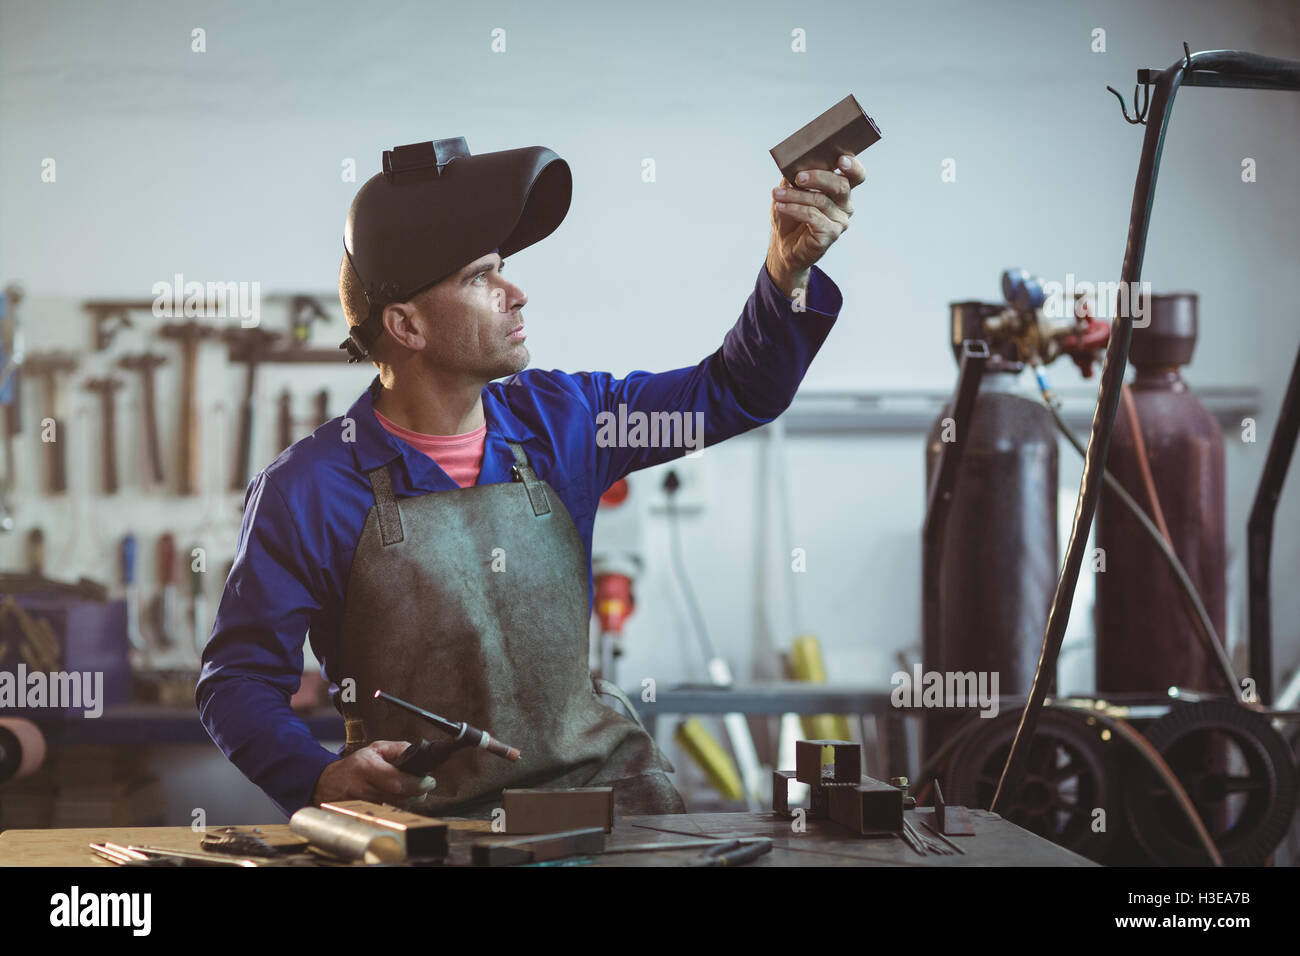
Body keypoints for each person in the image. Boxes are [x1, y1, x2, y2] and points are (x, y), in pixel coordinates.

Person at [196, 136, 863, 819]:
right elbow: (238, 681)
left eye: (503, 268)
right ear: (406, 324)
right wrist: (318, 778)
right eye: (480, 277)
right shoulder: (307, 490)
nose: (516, 293)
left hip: (612, 809)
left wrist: (788, 273)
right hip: (432, 830)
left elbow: (735, 391)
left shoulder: (568, 420)